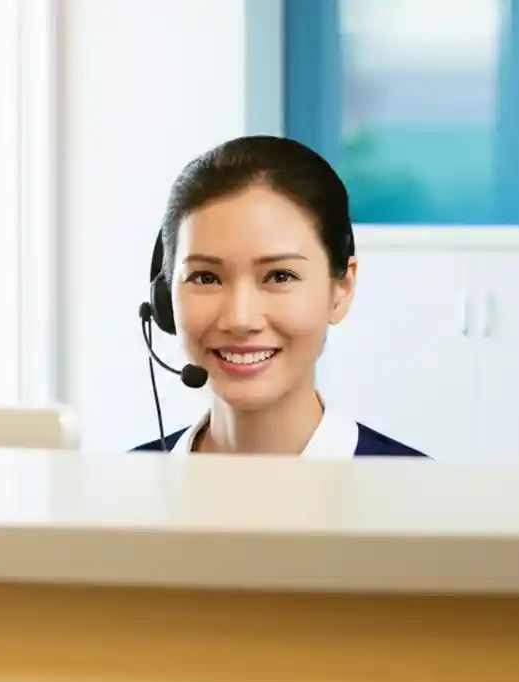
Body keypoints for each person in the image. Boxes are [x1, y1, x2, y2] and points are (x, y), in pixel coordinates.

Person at [131, 136, 426, 457]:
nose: (240, 320)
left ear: (341, 289)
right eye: (206, 277)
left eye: (279, 276)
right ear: (165, 297)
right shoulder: (124, 490)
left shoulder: (418, 493)